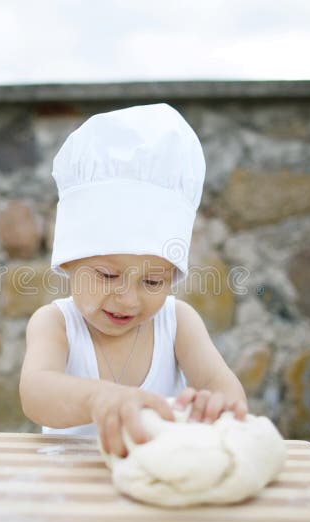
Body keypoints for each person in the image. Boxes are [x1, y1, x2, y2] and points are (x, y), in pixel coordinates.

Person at [19, 103, 247, 458]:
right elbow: (36, 393)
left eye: (154, 282)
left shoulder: (178, 322)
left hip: (160, 479)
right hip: (67, 486)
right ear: (70, 262)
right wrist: (98, 397)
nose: (128, 299)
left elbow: (223, 386)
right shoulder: (56, 324)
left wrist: (215, 405)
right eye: (108, 275)